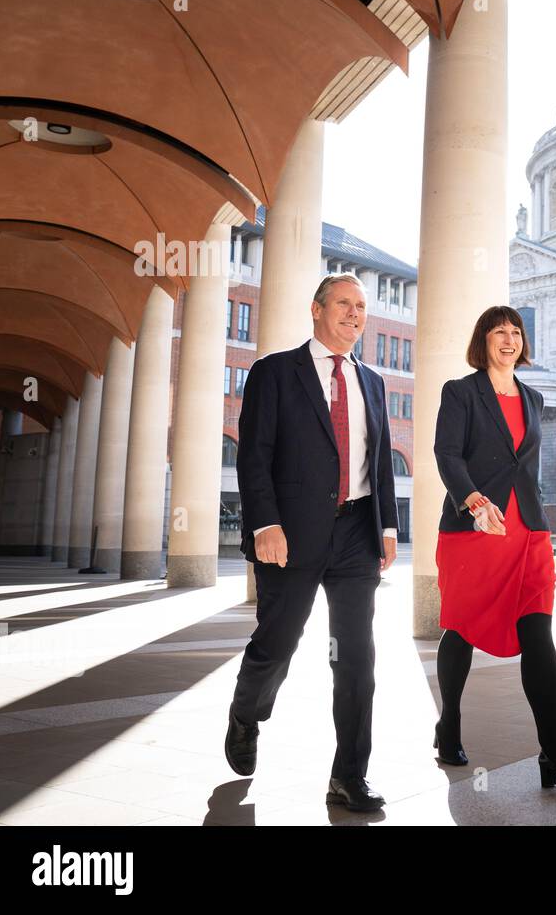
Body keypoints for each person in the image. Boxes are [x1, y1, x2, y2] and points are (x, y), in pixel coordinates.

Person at [225, 272, 398, 813]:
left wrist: (387, 527)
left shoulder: (373, 381)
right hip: (292, 533)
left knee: (355, 658)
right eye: (344, 304)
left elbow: (382, 461)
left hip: (356, 535)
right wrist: (264, 524)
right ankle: (246, 714)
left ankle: (349, 775)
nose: (355, 314)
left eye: (361, 308)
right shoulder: (274, 373)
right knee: (278, 641)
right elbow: (254, 456)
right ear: (317, 309)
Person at [431, 305, 556, 788]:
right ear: (482, 341)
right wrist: (474, 501)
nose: (509, 340)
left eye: (516, 333)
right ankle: (450, 724)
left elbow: (525, 467)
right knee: (460, 628)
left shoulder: (535, 399)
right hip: (475, 531)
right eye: (499, 332)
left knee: (538, 633)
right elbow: (447, 454)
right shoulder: (461, 393)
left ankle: (553, 749)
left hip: (528, 531)